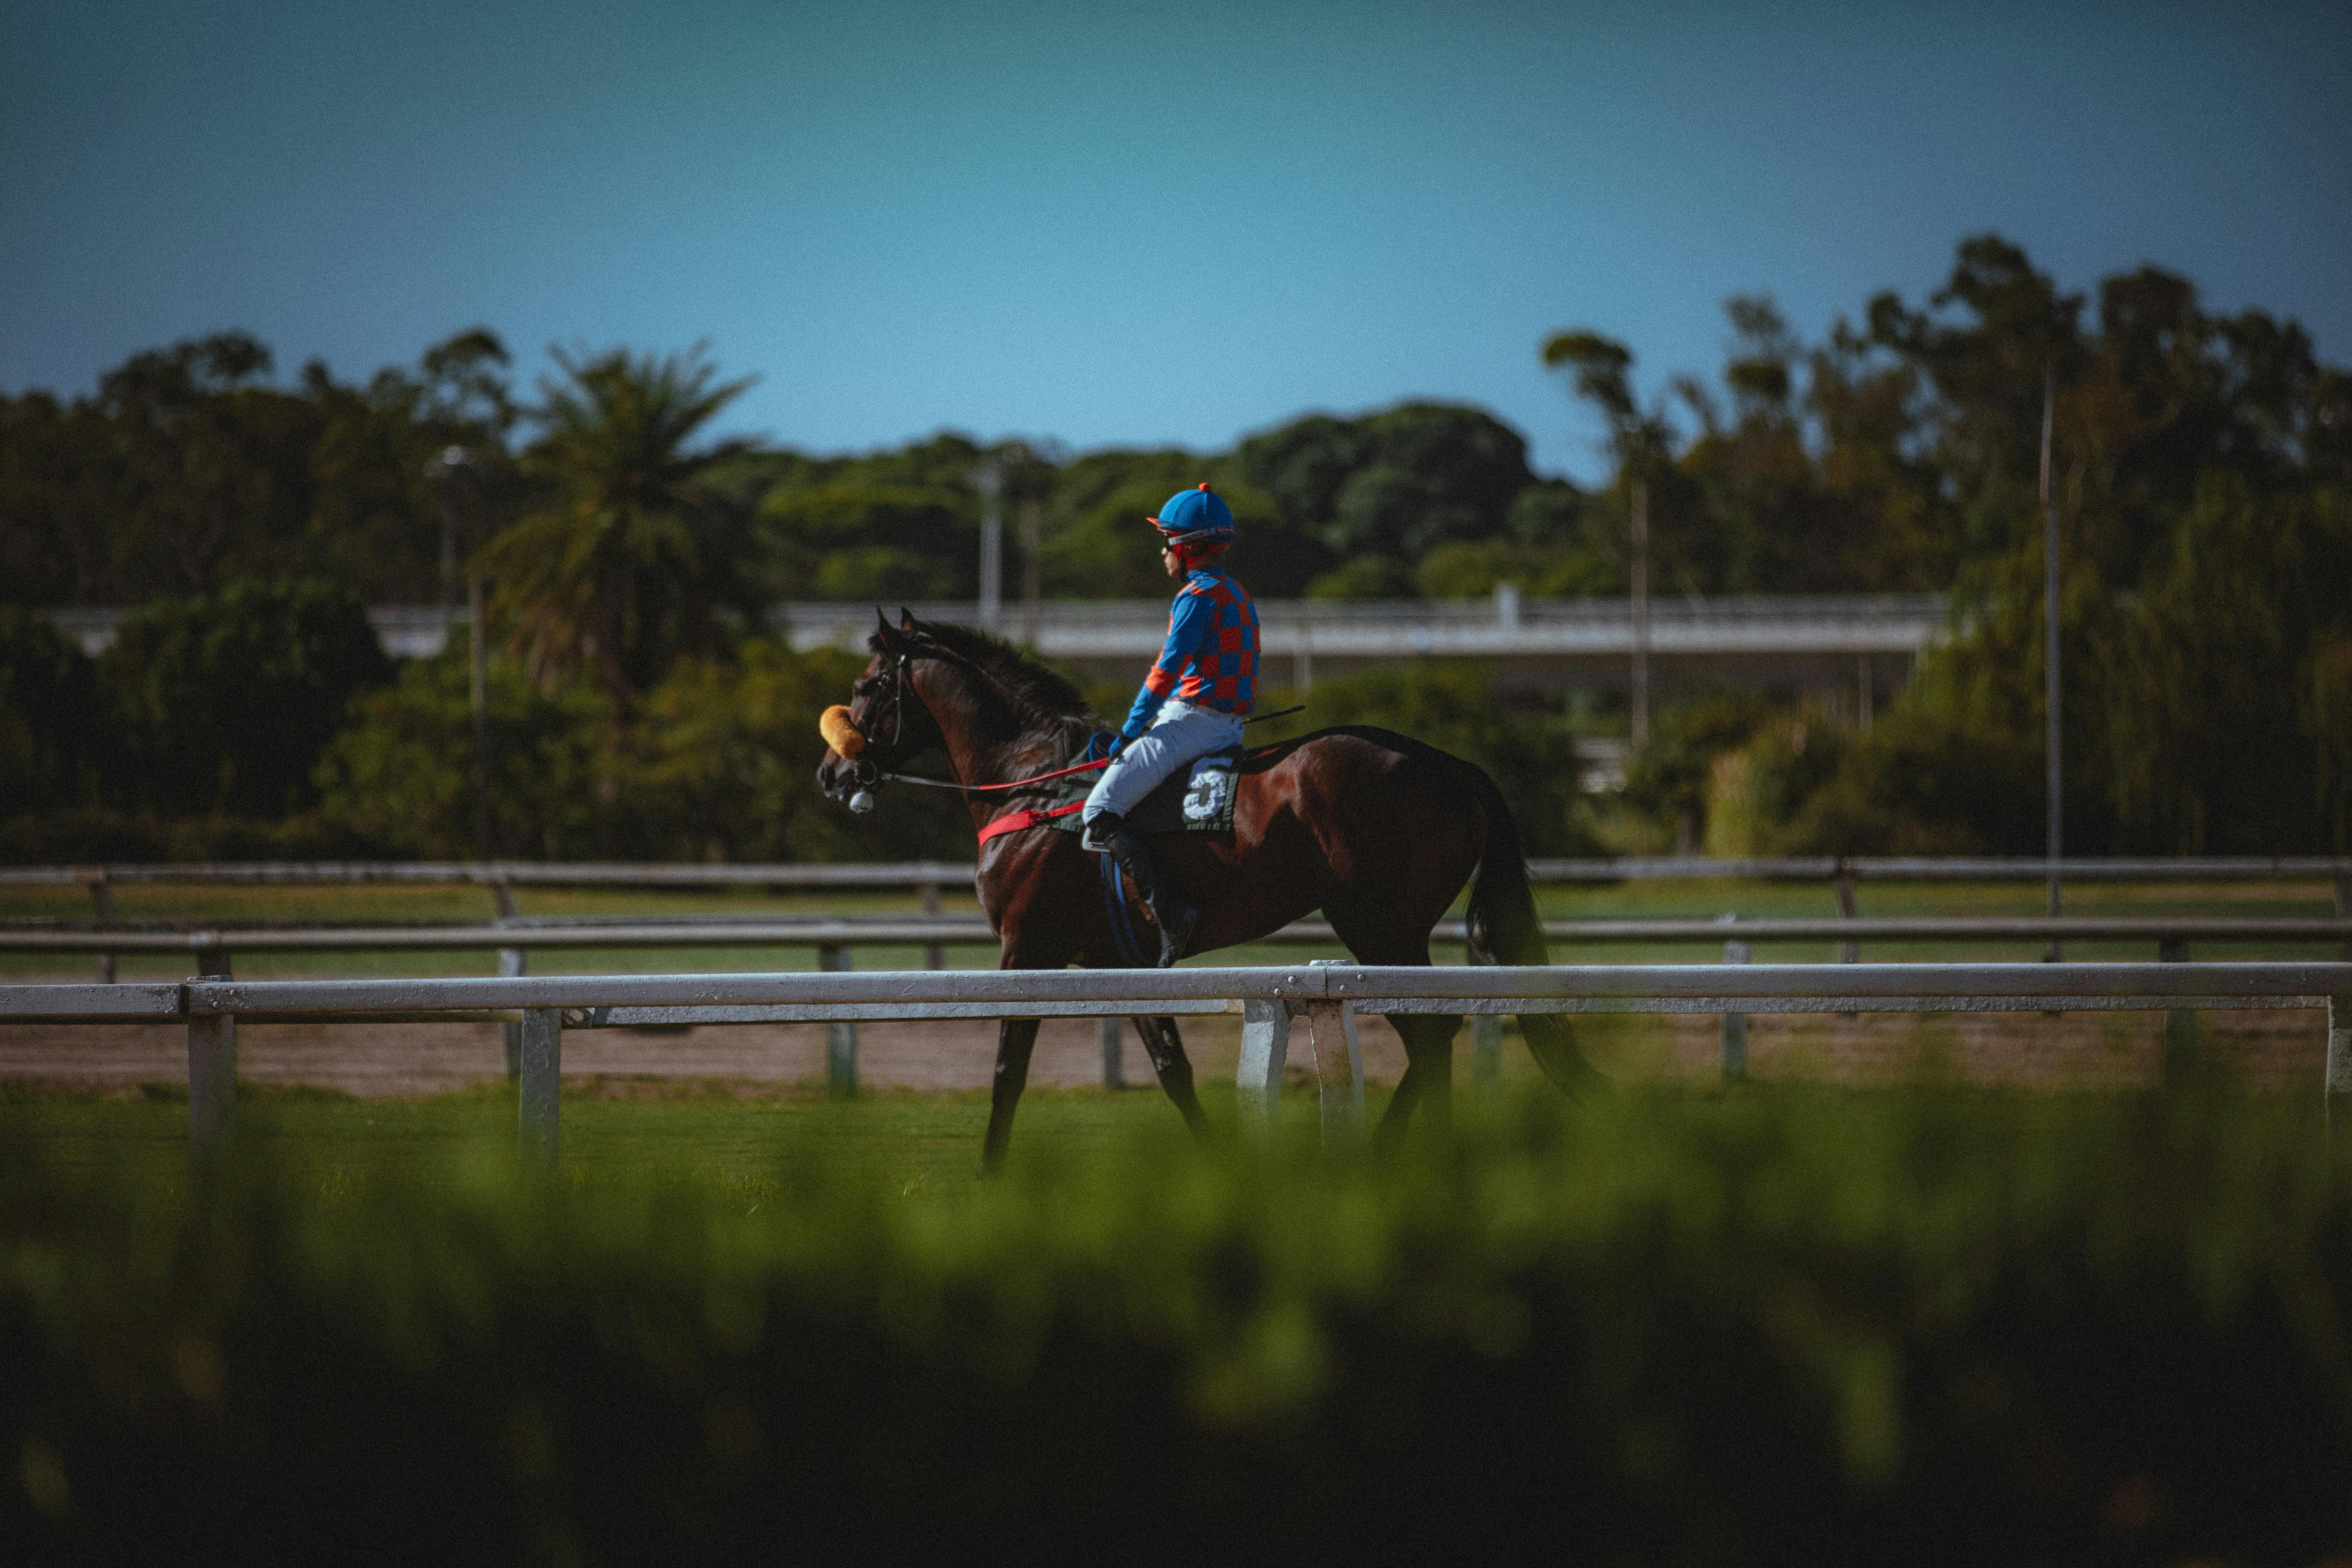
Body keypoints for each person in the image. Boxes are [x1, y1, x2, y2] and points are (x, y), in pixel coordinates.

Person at [1080, 483, 1259, 966]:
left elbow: (1166, 671)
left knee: (1099, 808)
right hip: (1227, 727)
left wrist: (1131, 731)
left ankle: (1172, 911)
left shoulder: (1196, 597)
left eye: (1168, 543)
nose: (1163, 553)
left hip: (1191, 724)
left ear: (1187, 549)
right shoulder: (1236, 593)